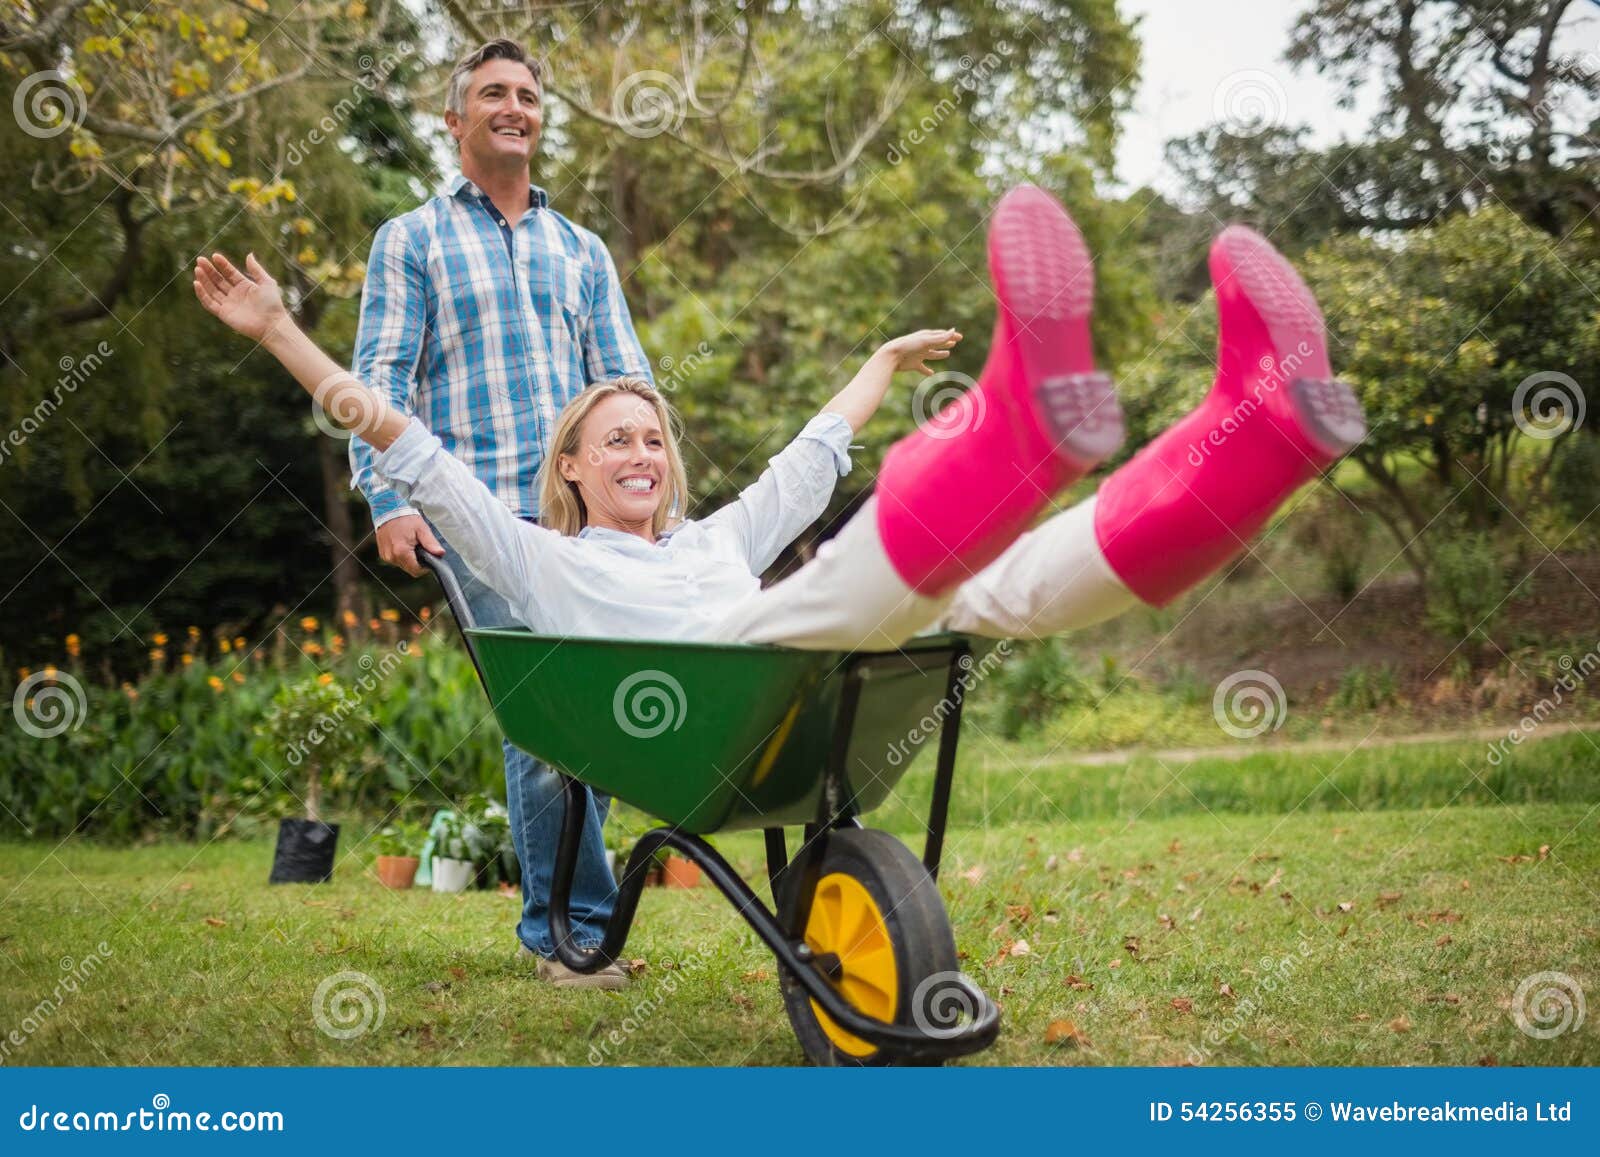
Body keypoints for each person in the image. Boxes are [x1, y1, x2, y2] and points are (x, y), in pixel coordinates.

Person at [193, 183, 1365, 763]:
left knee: (997, 592)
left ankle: (1251, 442)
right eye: (616, 439)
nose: (643, 450)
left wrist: (877, 365)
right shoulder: (535, 557)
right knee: (815, 605)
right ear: (571, 471)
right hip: (701, 716)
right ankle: (1012, 427)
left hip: (797, 684)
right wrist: (280, 335)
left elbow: (805, 469)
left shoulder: (711, 543)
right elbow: (402, 436)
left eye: (654, 435)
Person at [347, 39, 653, 988]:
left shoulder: (581, 250)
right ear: (455, 120)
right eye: (492, 93)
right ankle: (568, 935)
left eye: (527, 94)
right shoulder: (413, 239)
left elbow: (624, 385)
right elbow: (378, 383)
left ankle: (572, 919)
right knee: (546, 710)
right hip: (477, 521)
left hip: (581, 521)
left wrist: (651, 494)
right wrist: (390, 496)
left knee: (595, 709)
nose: (513, 106)